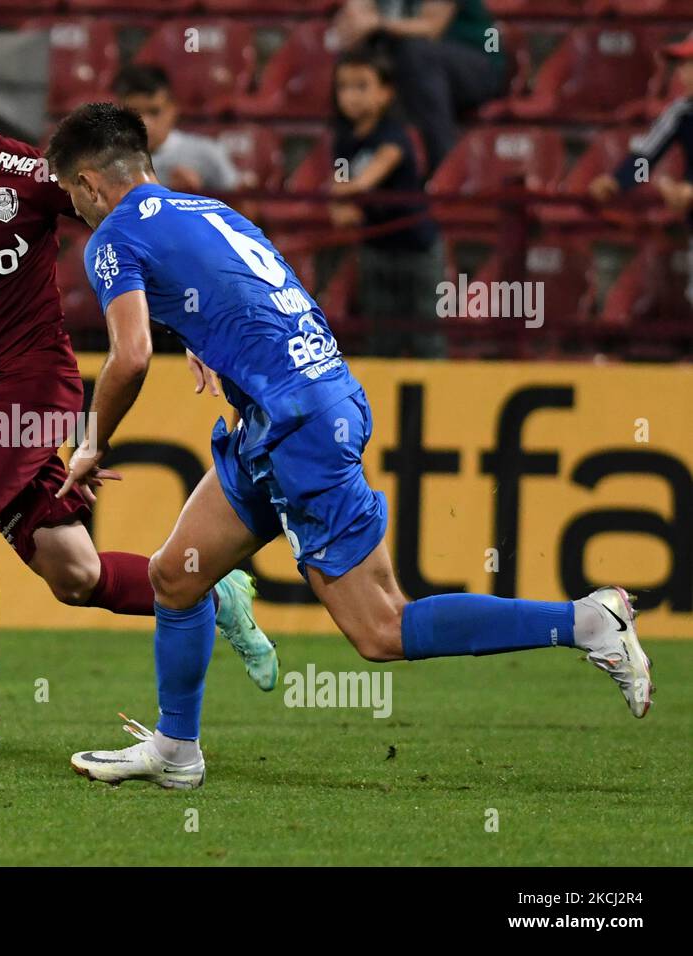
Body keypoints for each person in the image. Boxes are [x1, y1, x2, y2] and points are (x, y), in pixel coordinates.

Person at [44, 103, 652, 790]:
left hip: (296, 426)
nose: (76, 211)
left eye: (71, 196)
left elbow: (128, 357)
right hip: (301, 405)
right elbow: (259, 295)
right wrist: (213, 348)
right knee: (176, 578)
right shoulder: (205, 208)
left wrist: (91, 444)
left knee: (381, 630)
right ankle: (176, 750)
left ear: (92, 184)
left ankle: (586, 622)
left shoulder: (114, 237)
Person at [0, 31, 277, 767]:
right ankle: (210, 591)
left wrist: (198, 326)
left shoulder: (31, 175)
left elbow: (139, 226)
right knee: (74, 577)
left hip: (38, 390)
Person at [329, 46, 444, 358]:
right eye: (343, 87)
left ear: (386, 93)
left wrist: (344, 195)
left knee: (427, 338)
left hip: (417, 250)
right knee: (381, 339)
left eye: (361, 86)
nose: (351, 95)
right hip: (376, 248)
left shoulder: (395, 136)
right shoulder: (343, 139)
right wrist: (339, 206)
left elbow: (367, 178)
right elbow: (338, 182)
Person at [335, 0, 506, 172]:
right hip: (413, 62)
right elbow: (355, 14)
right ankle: (348, 169)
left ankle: (443, 169)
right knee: (354, 61)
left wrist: (376, 22)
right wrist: (354, 23)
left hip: (478, 64)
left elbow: (431, 28)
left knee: (415, 52)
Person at [590, 31, 693, 306]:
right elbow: (645, 157)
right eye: (683, 64)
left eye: (691, 64)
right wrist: (617, 181)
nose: (683, 72)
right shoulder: (682, 112)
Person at [112, 63, 238, 195]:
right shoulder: (106, 161)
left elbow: (245, 211)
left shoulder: (207, 154)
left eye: (154, 112)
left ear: (173, 110)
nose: (144, 122)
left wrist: (199, 195)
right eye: (133, 113)